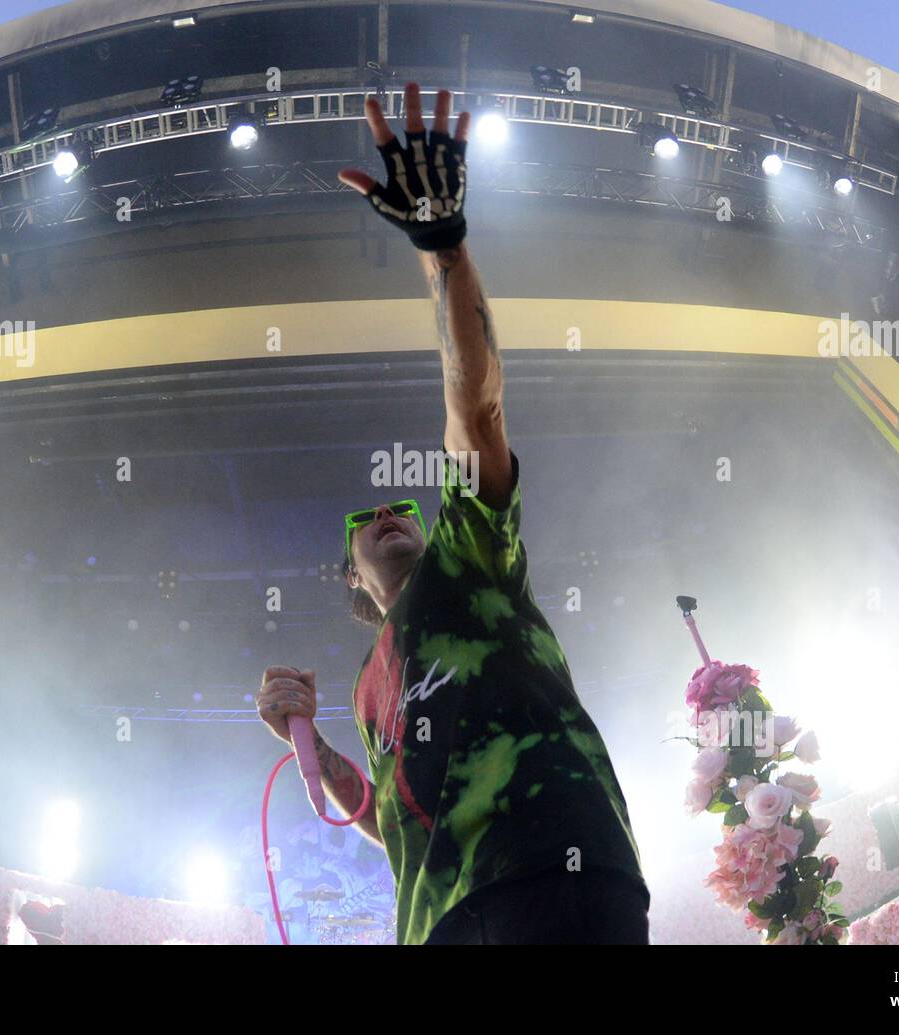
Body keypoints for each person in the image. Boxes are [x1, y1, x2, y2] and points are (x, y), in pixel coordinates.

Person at [257, 84, 649, 945]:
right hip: (433, 919)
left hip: (553, 866)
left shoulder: (470, 559)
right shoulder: (369, 682)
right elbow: (387, 811)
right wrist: (313, 752)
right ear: (351, 576)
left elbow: (477, 410)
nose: (394, 513)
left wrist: (444, 249)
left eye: (405, 505)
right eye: (370, 516)